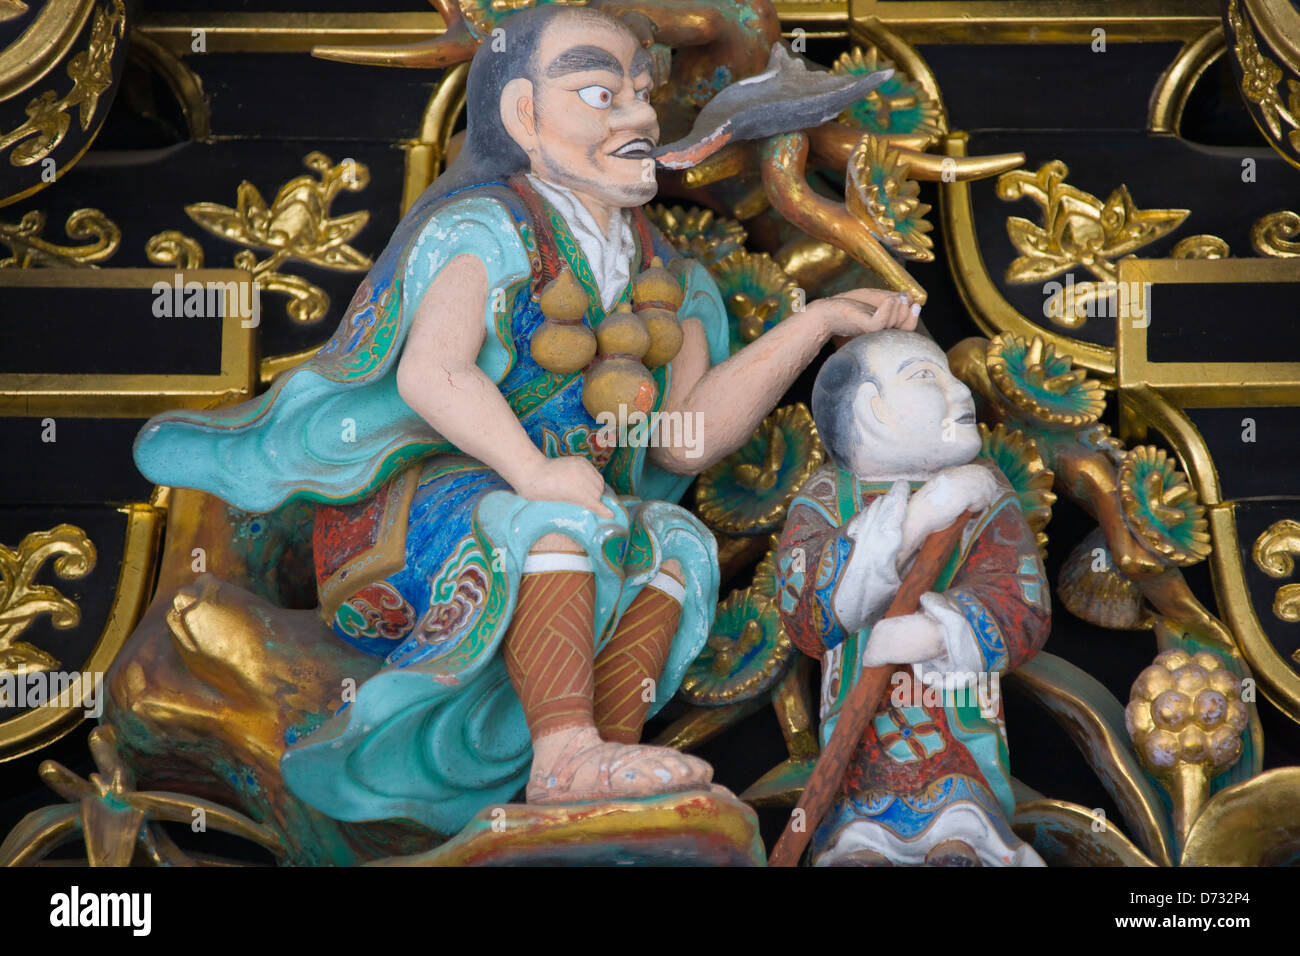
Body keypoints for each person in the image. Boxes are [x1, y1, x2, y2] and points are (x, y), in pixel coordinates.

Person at [134, 4, 917, 836]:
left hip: (575, 515)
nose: (640, 116)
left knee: (675, 542)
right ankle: (564, 754)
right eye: (597, 91)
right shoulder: (486, 229)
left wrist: (817, 325)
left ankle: (609, 759)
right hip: (414, 533)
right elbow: (436, 373)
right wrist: (536, 471)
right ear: (522, 117)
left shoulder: (670, 280)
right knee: (559, 517)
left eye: (643, 93)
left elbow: (688, 438)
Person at [777, 330, 1049, 865]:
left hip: (958, 737)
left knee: (959, 837)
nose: (961, 390)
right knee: (858, 845)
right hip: (856, 737)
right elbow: (803, 614)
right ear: (873, 410)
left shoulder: (984, 492)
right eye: (928, 378)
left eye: (951, 373)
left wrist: (935, 632)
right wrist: (919, 518)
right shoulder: (827, 498)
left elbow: (1023, 601)